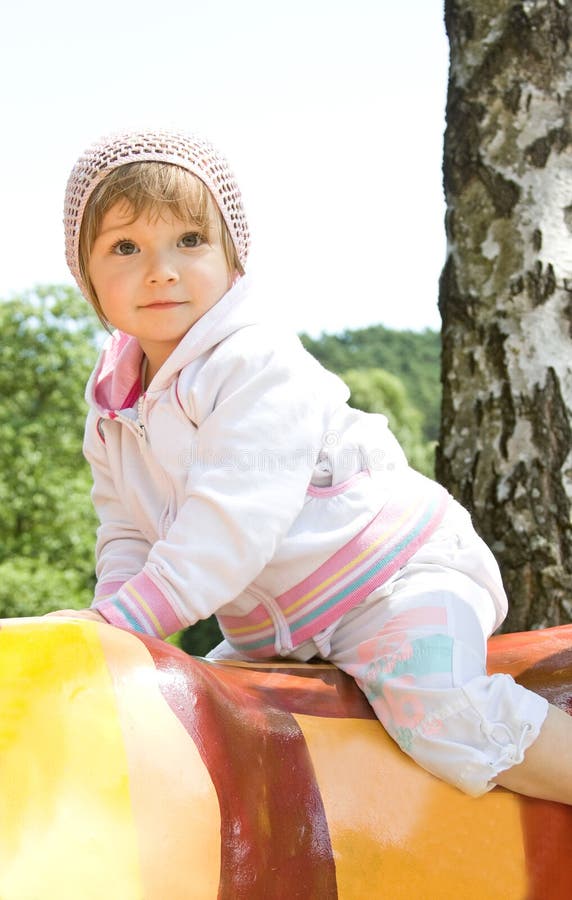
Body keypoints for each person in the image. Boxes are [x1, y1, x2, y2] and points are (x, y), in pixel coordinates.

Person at [52, 127, 572, 803]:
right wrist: (108, 630)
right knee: (185, 720)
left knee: (442, 713)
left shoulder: (257, 365)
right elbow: (125, 532)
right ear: (84, 272)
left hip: (391, 582)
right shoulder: (114, 406)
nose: (161, 270)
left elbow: (227, 528)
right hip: (279, 632)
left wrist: (125, 622)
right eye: (126, 247)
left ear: (233, 258)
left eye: (189, 241)